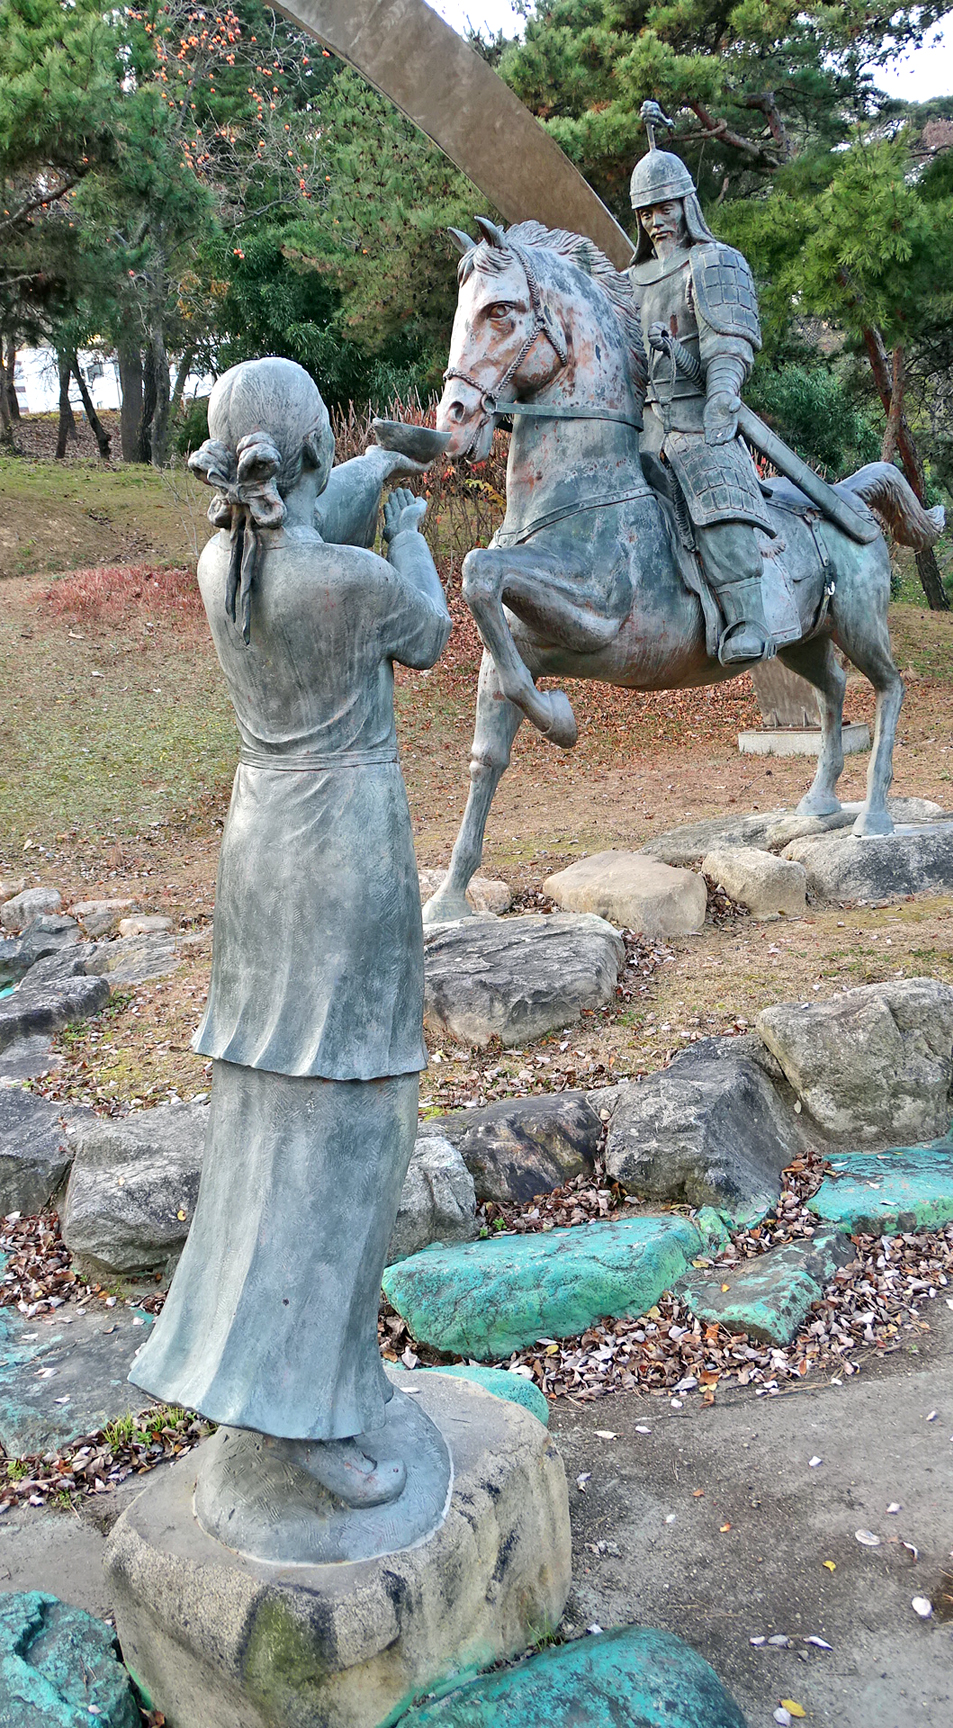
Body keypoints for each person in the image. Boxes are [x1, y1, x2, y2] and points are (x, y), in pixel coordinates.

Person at [129, 356, 450, 1508]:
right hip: (343, 859)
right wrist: (412, 525)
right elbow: (430, 637)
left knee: (270, 1116)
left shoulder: (222, 560)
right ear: (309, 453)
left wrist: (394, 454)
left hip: (259, 852)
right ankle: (309, 1412)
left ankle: (255, 1369)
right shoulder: (355, 583)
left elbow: (306, 515)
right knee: (354, 1135)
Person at [628, 106, 775, 664]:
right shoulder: (625, 282)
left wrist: (720, 398)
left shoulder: (713, 263)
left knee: (714, 494)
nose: (655, 221)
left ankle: (746, 619)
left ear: (686, 204)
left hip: (695, 418)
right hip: (640, 424)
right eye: (645, 212)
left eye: (664, 207)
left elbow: (728, 344)